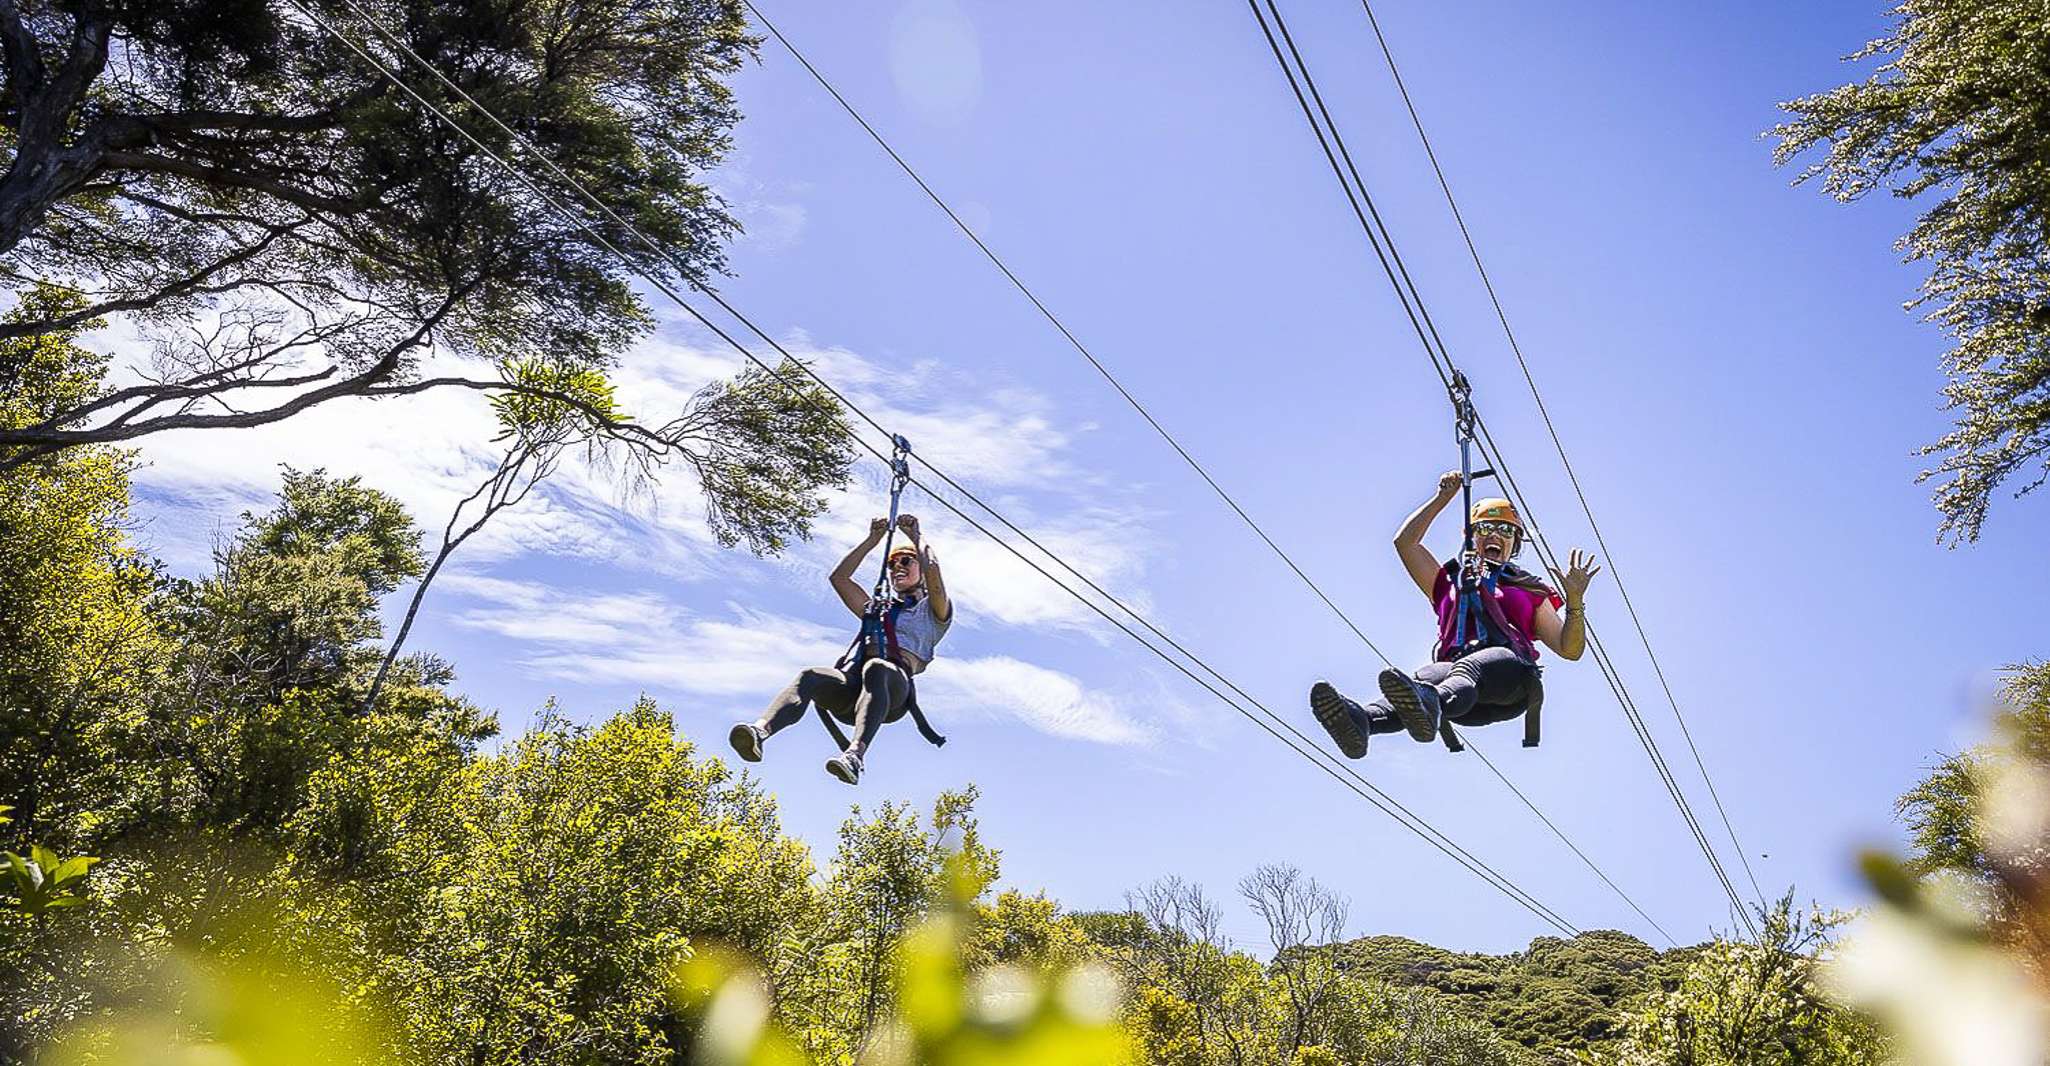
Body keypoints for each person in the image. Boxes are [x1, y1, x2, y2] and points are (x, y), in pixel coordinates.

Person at [1310, 471, 1600, 756]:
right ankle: (1363, 721)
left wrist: (1575, 601)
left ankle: (1429, 701)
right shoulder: (1450, 582)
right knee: (1425, 676)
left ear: (1515, 543)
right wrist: (1443, 498)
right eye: (1485, 528)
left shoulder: (1529, 589)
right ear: (1471, 536)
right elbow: (1406, 543)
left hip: (1511, 681)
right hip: (1461, 699)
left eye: (1505, 530)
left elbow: (1569, 649)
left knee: (1468, 669)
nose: (1495, 535)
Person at [728, 513, 952, 785]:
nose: (897, 568)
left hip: (892, 694)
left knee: (878, 668)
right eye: (892, 564)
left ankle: (855, 756)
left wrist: (916, 537)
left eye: (906, 561)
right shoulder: (878, 610)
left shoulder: (933, 612)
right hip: (852, 694)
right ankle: (760, 732)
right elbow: (840, 579)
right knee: (810, 676)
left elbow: (935, 571)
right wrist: (872, 540)